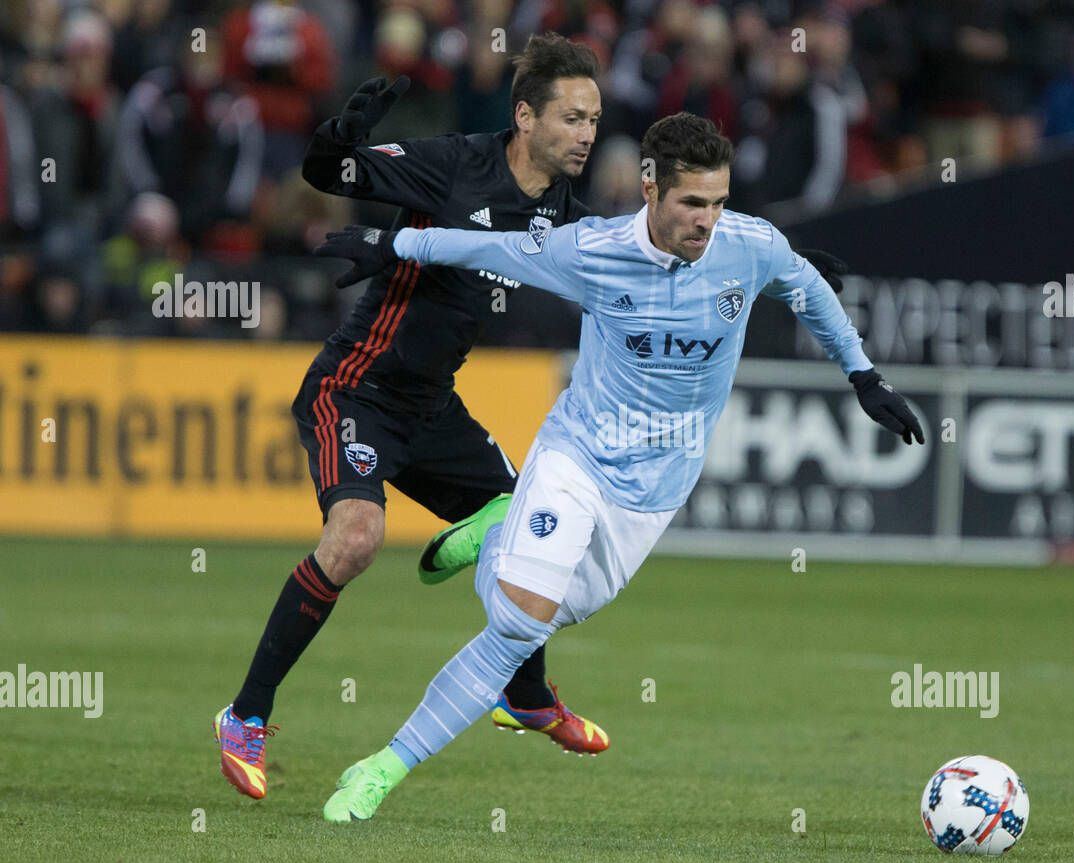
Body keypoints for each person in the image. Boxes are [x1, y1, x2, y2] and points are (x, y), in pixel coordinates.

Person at [310, 111, 922, 822]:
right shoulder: (589, 250)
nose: (708, 221)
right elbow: (491, 246)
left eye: (719, 203)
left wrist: (864, 377)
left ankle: (497, 529)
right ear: (650, 188)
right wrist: (396, 243)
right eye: (693, 203)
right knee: (514, 628)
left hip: (653, 492)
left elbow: (808, 286)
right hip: (578, 456)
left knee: (543, 616)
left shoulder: (748, 247)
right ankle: (383, 766)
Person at [214, 34, 611, 802]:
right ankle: (244, 715)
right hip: (356, 390)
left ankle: (524, 695)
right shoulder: (457, 163)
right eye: (572, 117)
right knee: (358, 537)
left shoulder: (564, 208)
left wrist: (772, 274)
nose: (587, 133)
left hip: (432, 409)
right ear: (526, 117)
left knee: (532, 528)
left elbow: (647, 256)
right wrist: (334, 144)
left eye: (594, 117)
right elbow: (332, 172)